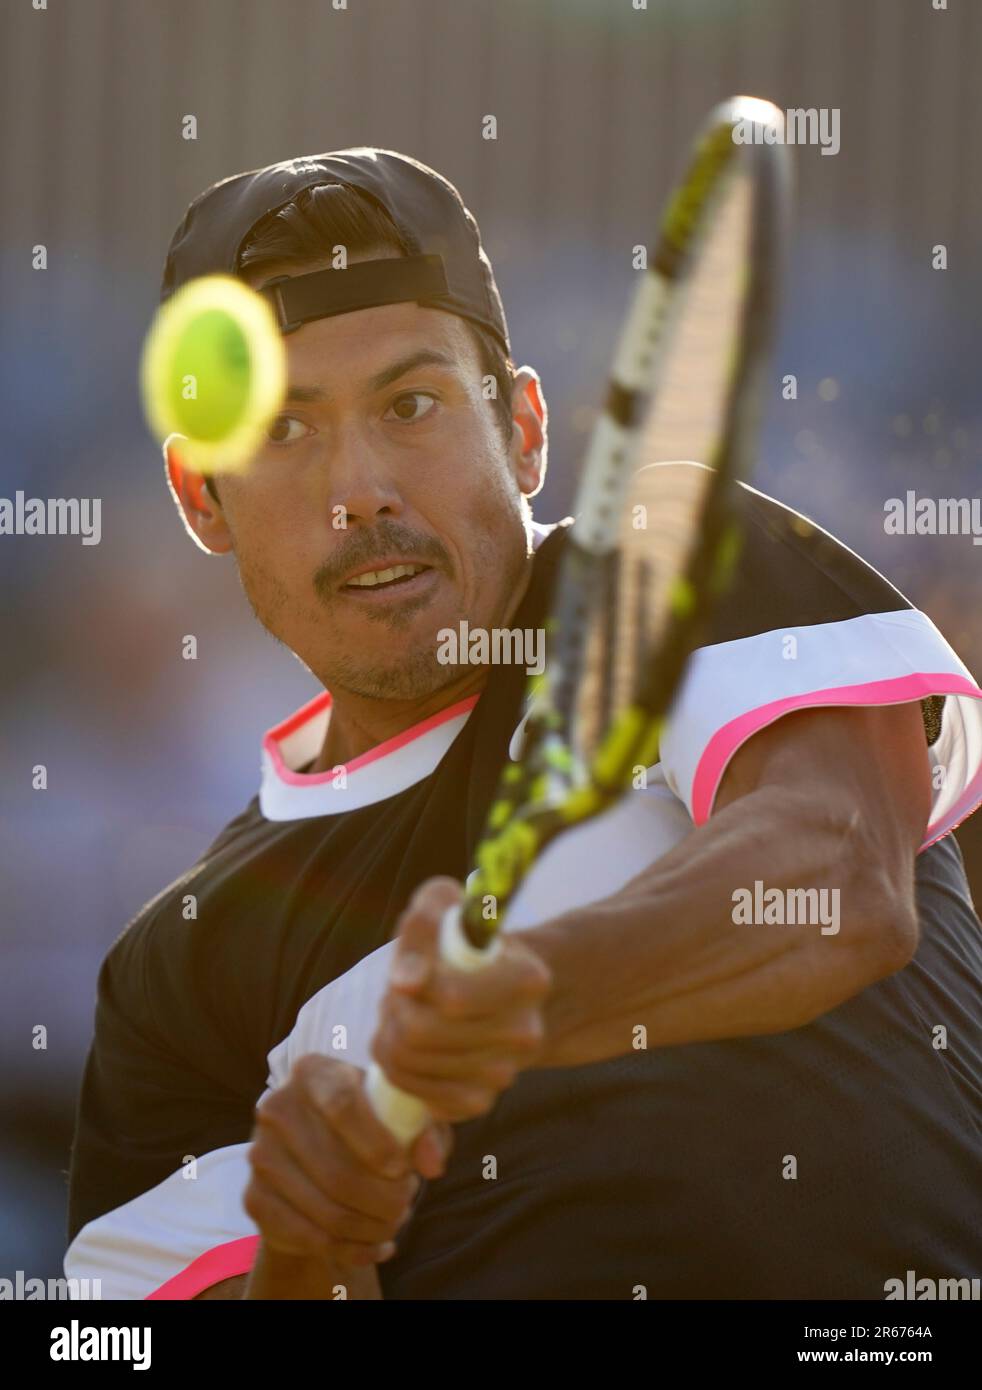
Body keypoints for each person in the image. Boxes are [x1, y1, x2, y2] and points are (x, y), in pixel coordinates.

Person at [65, 149, 982, 1300]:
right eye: (285, 434)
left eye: (411, 405)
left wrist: (527, 993)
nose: (360, 490)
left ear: (526, 430)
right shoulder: (172, 977)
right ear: (204, 500)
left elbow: (842, 882)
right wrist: (301, 1257)